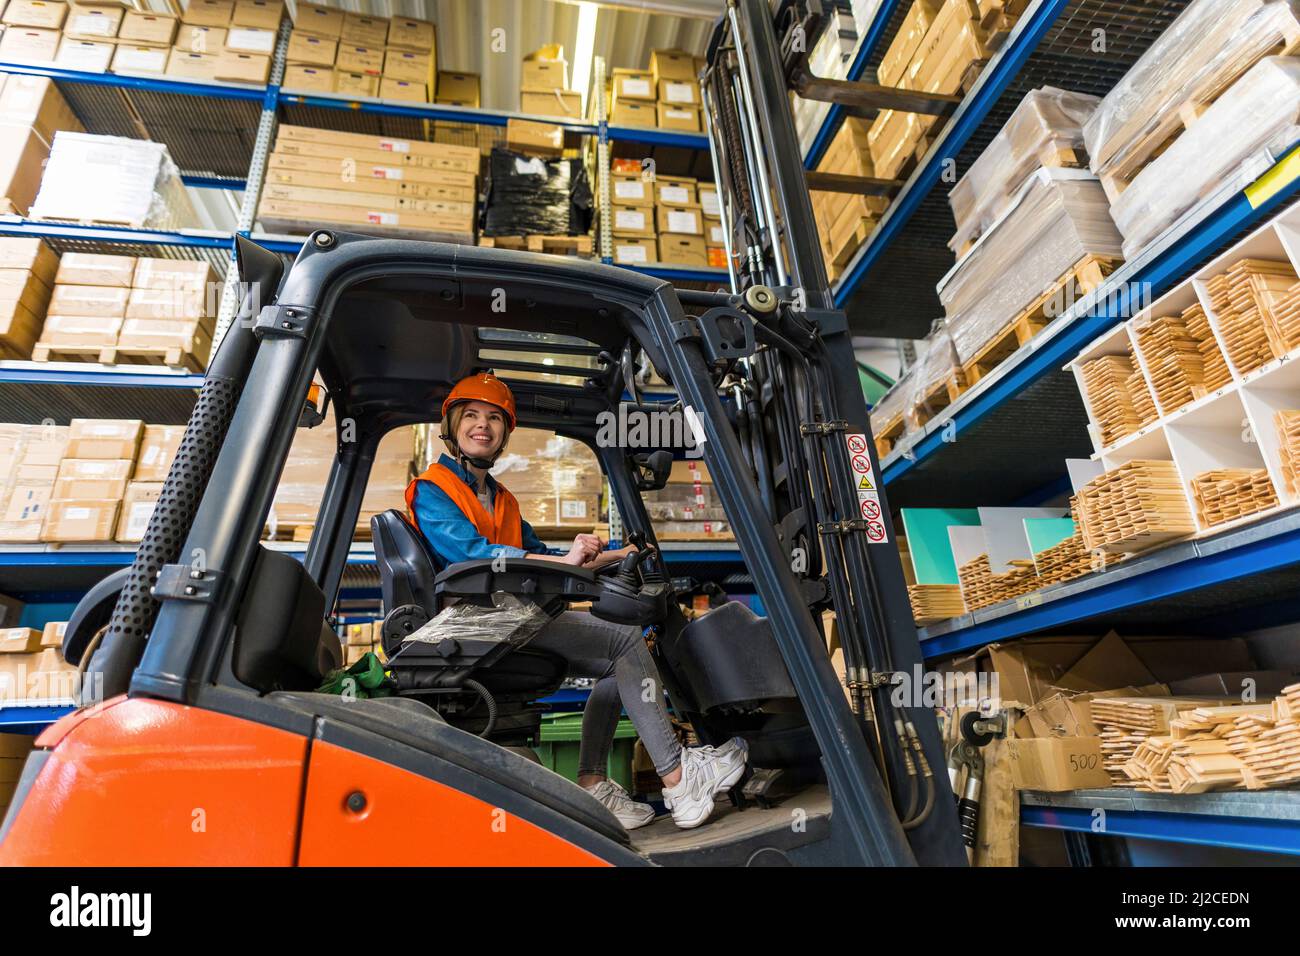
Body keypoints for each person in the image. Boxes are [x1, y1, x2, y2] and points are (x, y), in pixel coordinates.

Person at [405, 372, 747, 830]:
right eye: (471, 416)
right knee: (624, 643)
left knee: (621, 655)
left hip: (505, 617)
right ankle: (680, 778)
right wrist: (564, 561)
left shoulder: (499, 497)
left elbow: (539, 554)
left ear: (505, 433)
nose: (481, 426)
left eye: (493, 418)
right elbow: (469, 553)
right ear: (452, 425)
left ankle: (592, 783)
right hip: (476, 625)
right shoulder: (434, 488)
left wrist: (607, 555)